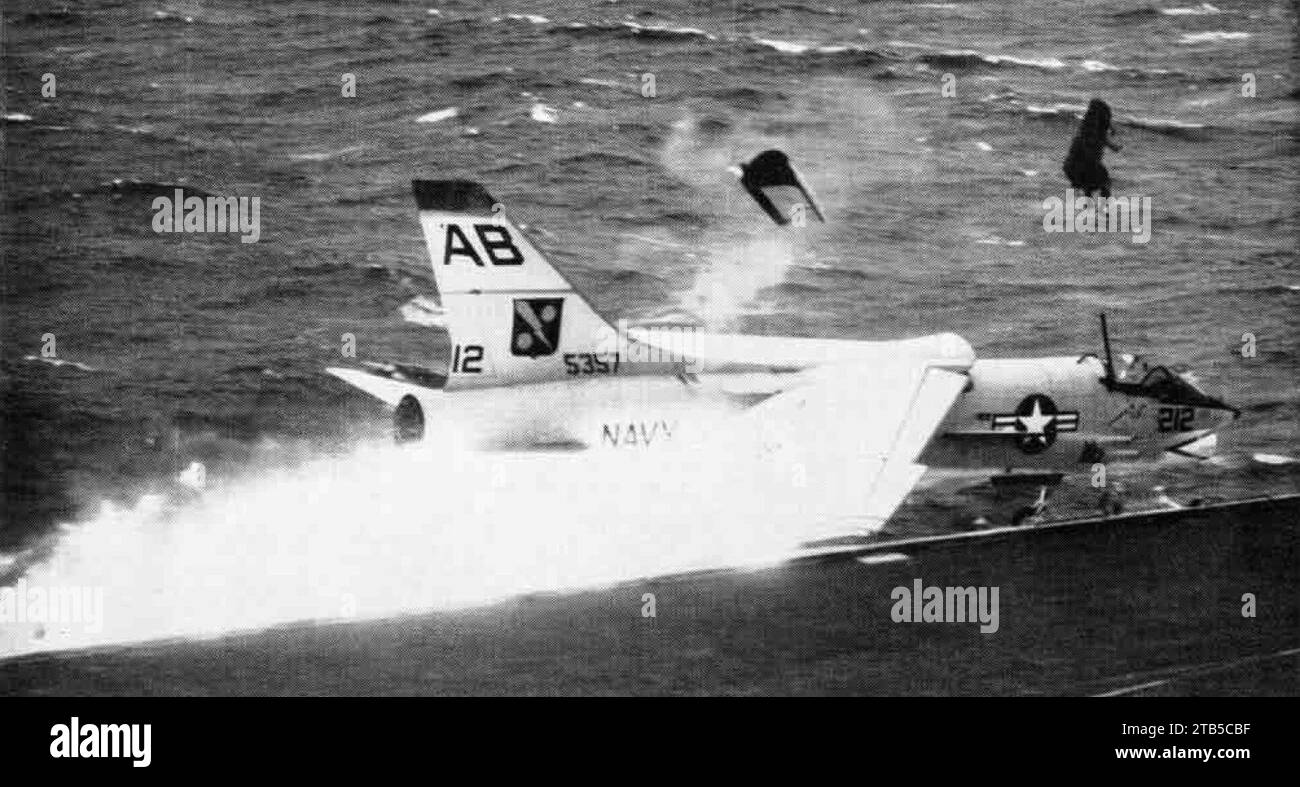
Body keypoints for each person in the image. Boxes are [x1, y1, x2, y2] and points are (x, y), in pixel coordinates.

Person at [1063, 99, 1122, 197]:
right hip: (1088, 165)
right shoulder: (1100, 134)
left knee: (1089, 187)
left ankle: (1089, 208)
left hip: (1071, 166)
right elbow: (1114, 147)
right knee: (1105, 184)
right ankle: (1105, 209)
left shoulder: (1085, 130)